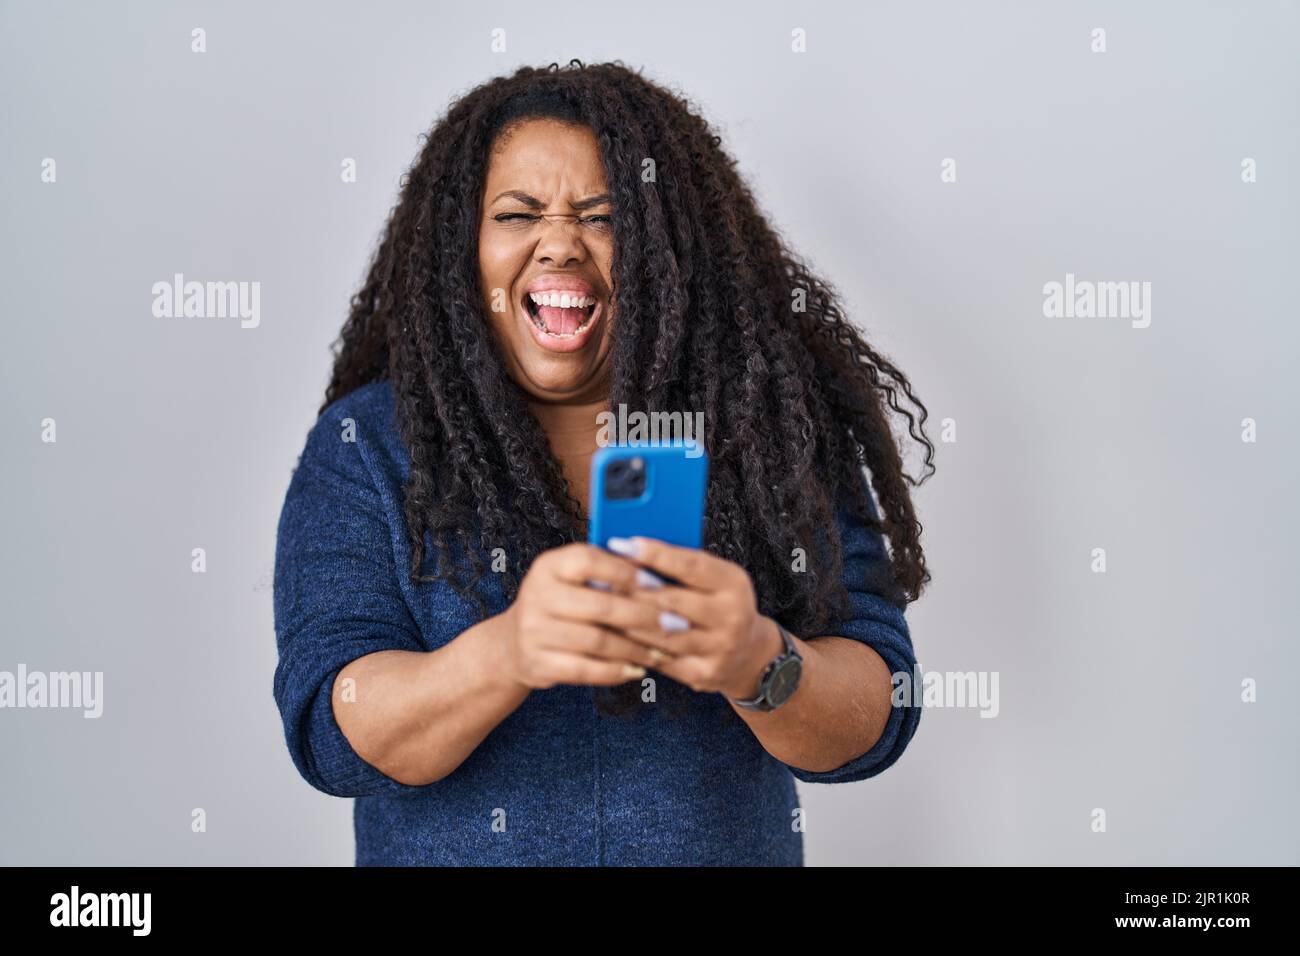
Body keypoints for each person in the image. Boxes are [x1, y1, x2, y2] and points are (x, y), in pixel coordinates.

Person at [272, 60, 934, 866]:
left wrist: (758, 659)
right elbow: (333, 732)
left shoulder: (764, 428)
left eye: (605, 215)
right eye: (517, 215)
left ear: (664, 248)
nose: (559, 243)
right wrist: (508, 651)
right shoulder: (367, 447)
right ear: (460, 248)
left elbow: (879, 711)